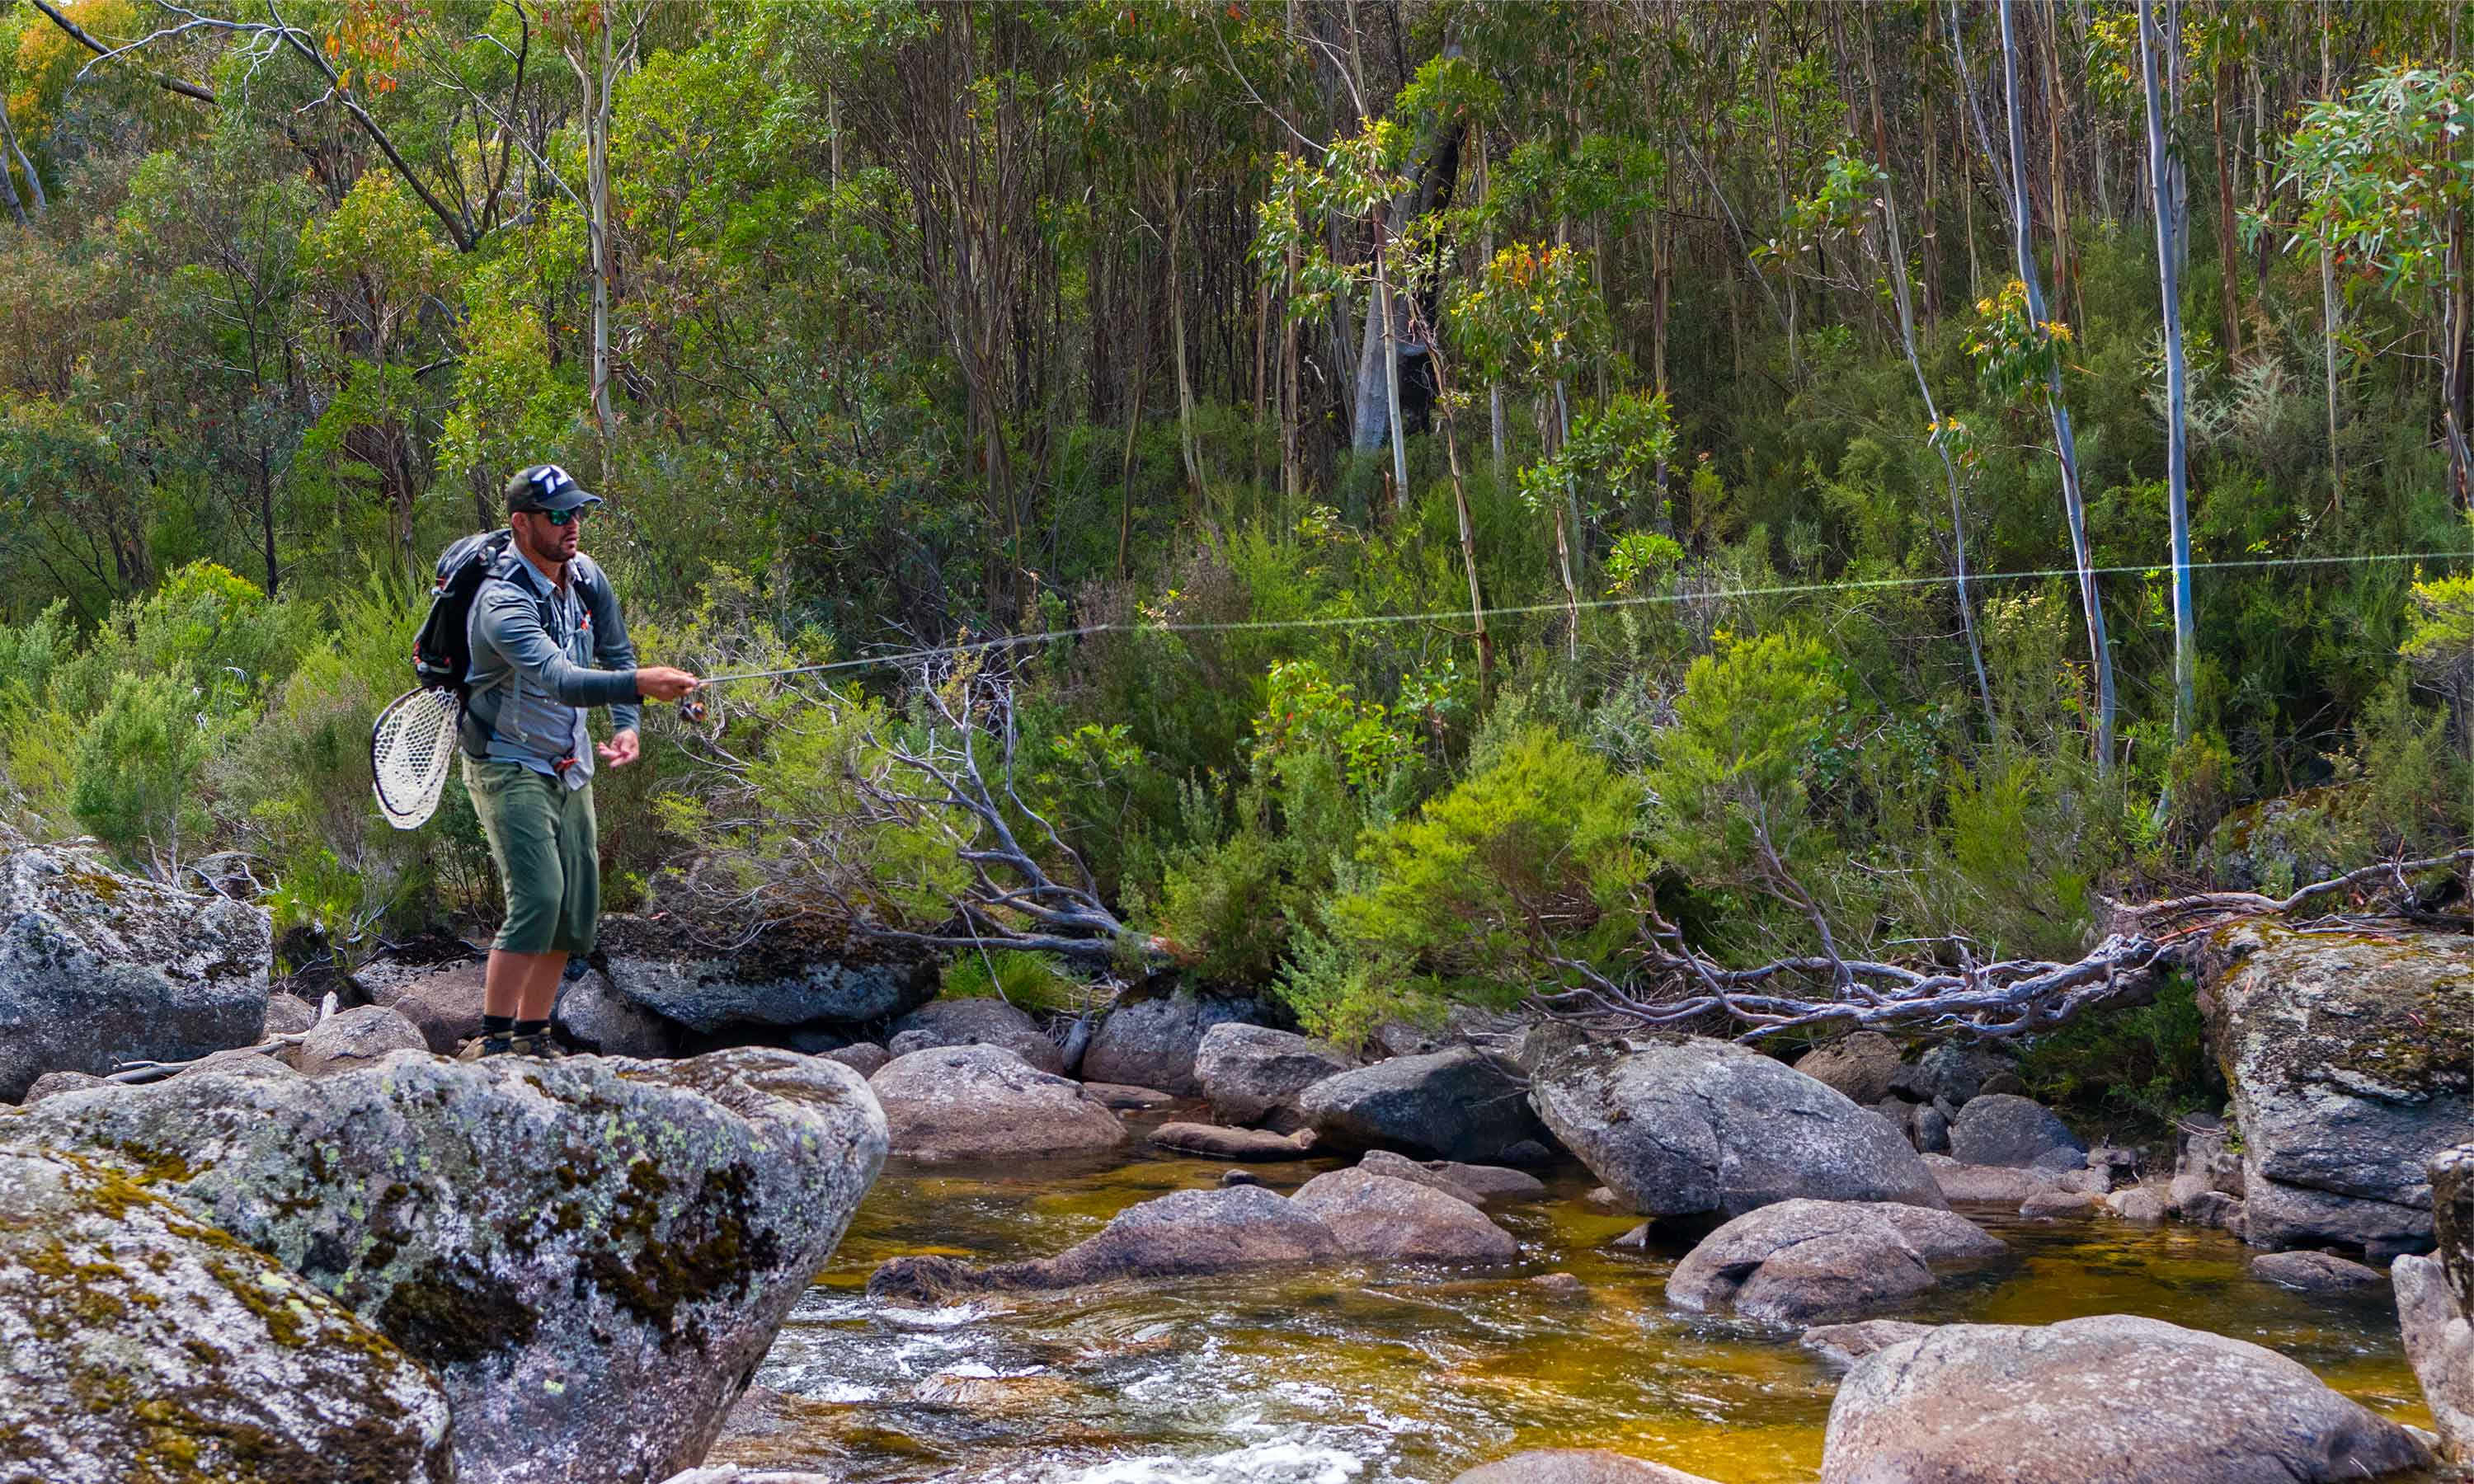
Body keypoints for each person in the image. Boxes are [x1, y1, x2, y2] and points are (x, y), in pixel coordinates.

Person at [456, 463, 698, 1059]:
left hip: (571, 762)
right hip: (507, 763)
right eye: (559, 515)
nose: (574, 525)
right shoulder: (500, 604)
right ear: (522, 523)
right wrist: (639, 686)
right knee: (537, 898)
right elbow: (562, 680)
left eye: (578, 512)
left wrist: (628, 726)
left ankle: (534, 1039)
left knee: (574, 910)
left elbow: (615, 649)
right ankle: (494, 1044)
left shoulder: (587, 577)